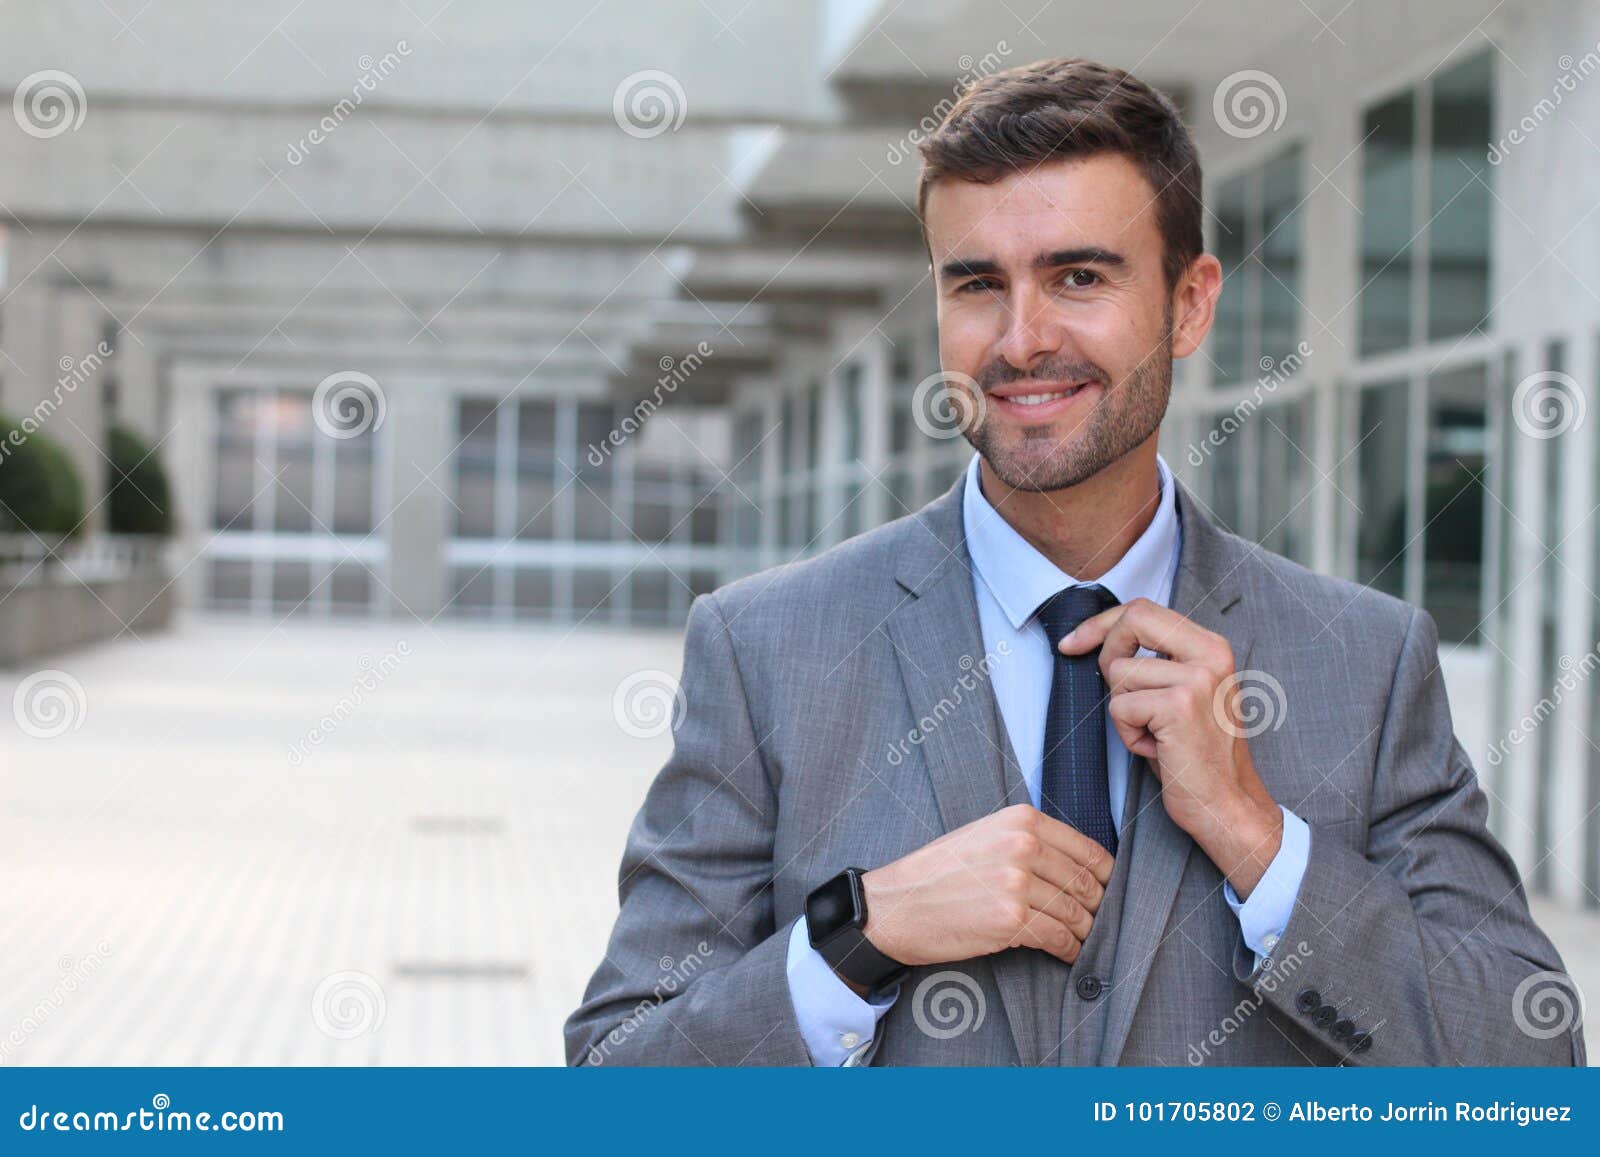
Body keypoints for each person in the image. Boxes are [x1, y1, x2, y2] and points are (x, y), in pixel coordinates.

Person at [565, 57, 1583, 1067]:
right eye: (975, 284)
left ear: (1189, 304)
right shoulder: (765, 651)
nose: (1020, 339)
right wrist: (853, 935)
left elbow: (1530, 1064)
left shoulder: (1364, 662)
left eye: (1078, 276)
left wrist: (1257, 837)